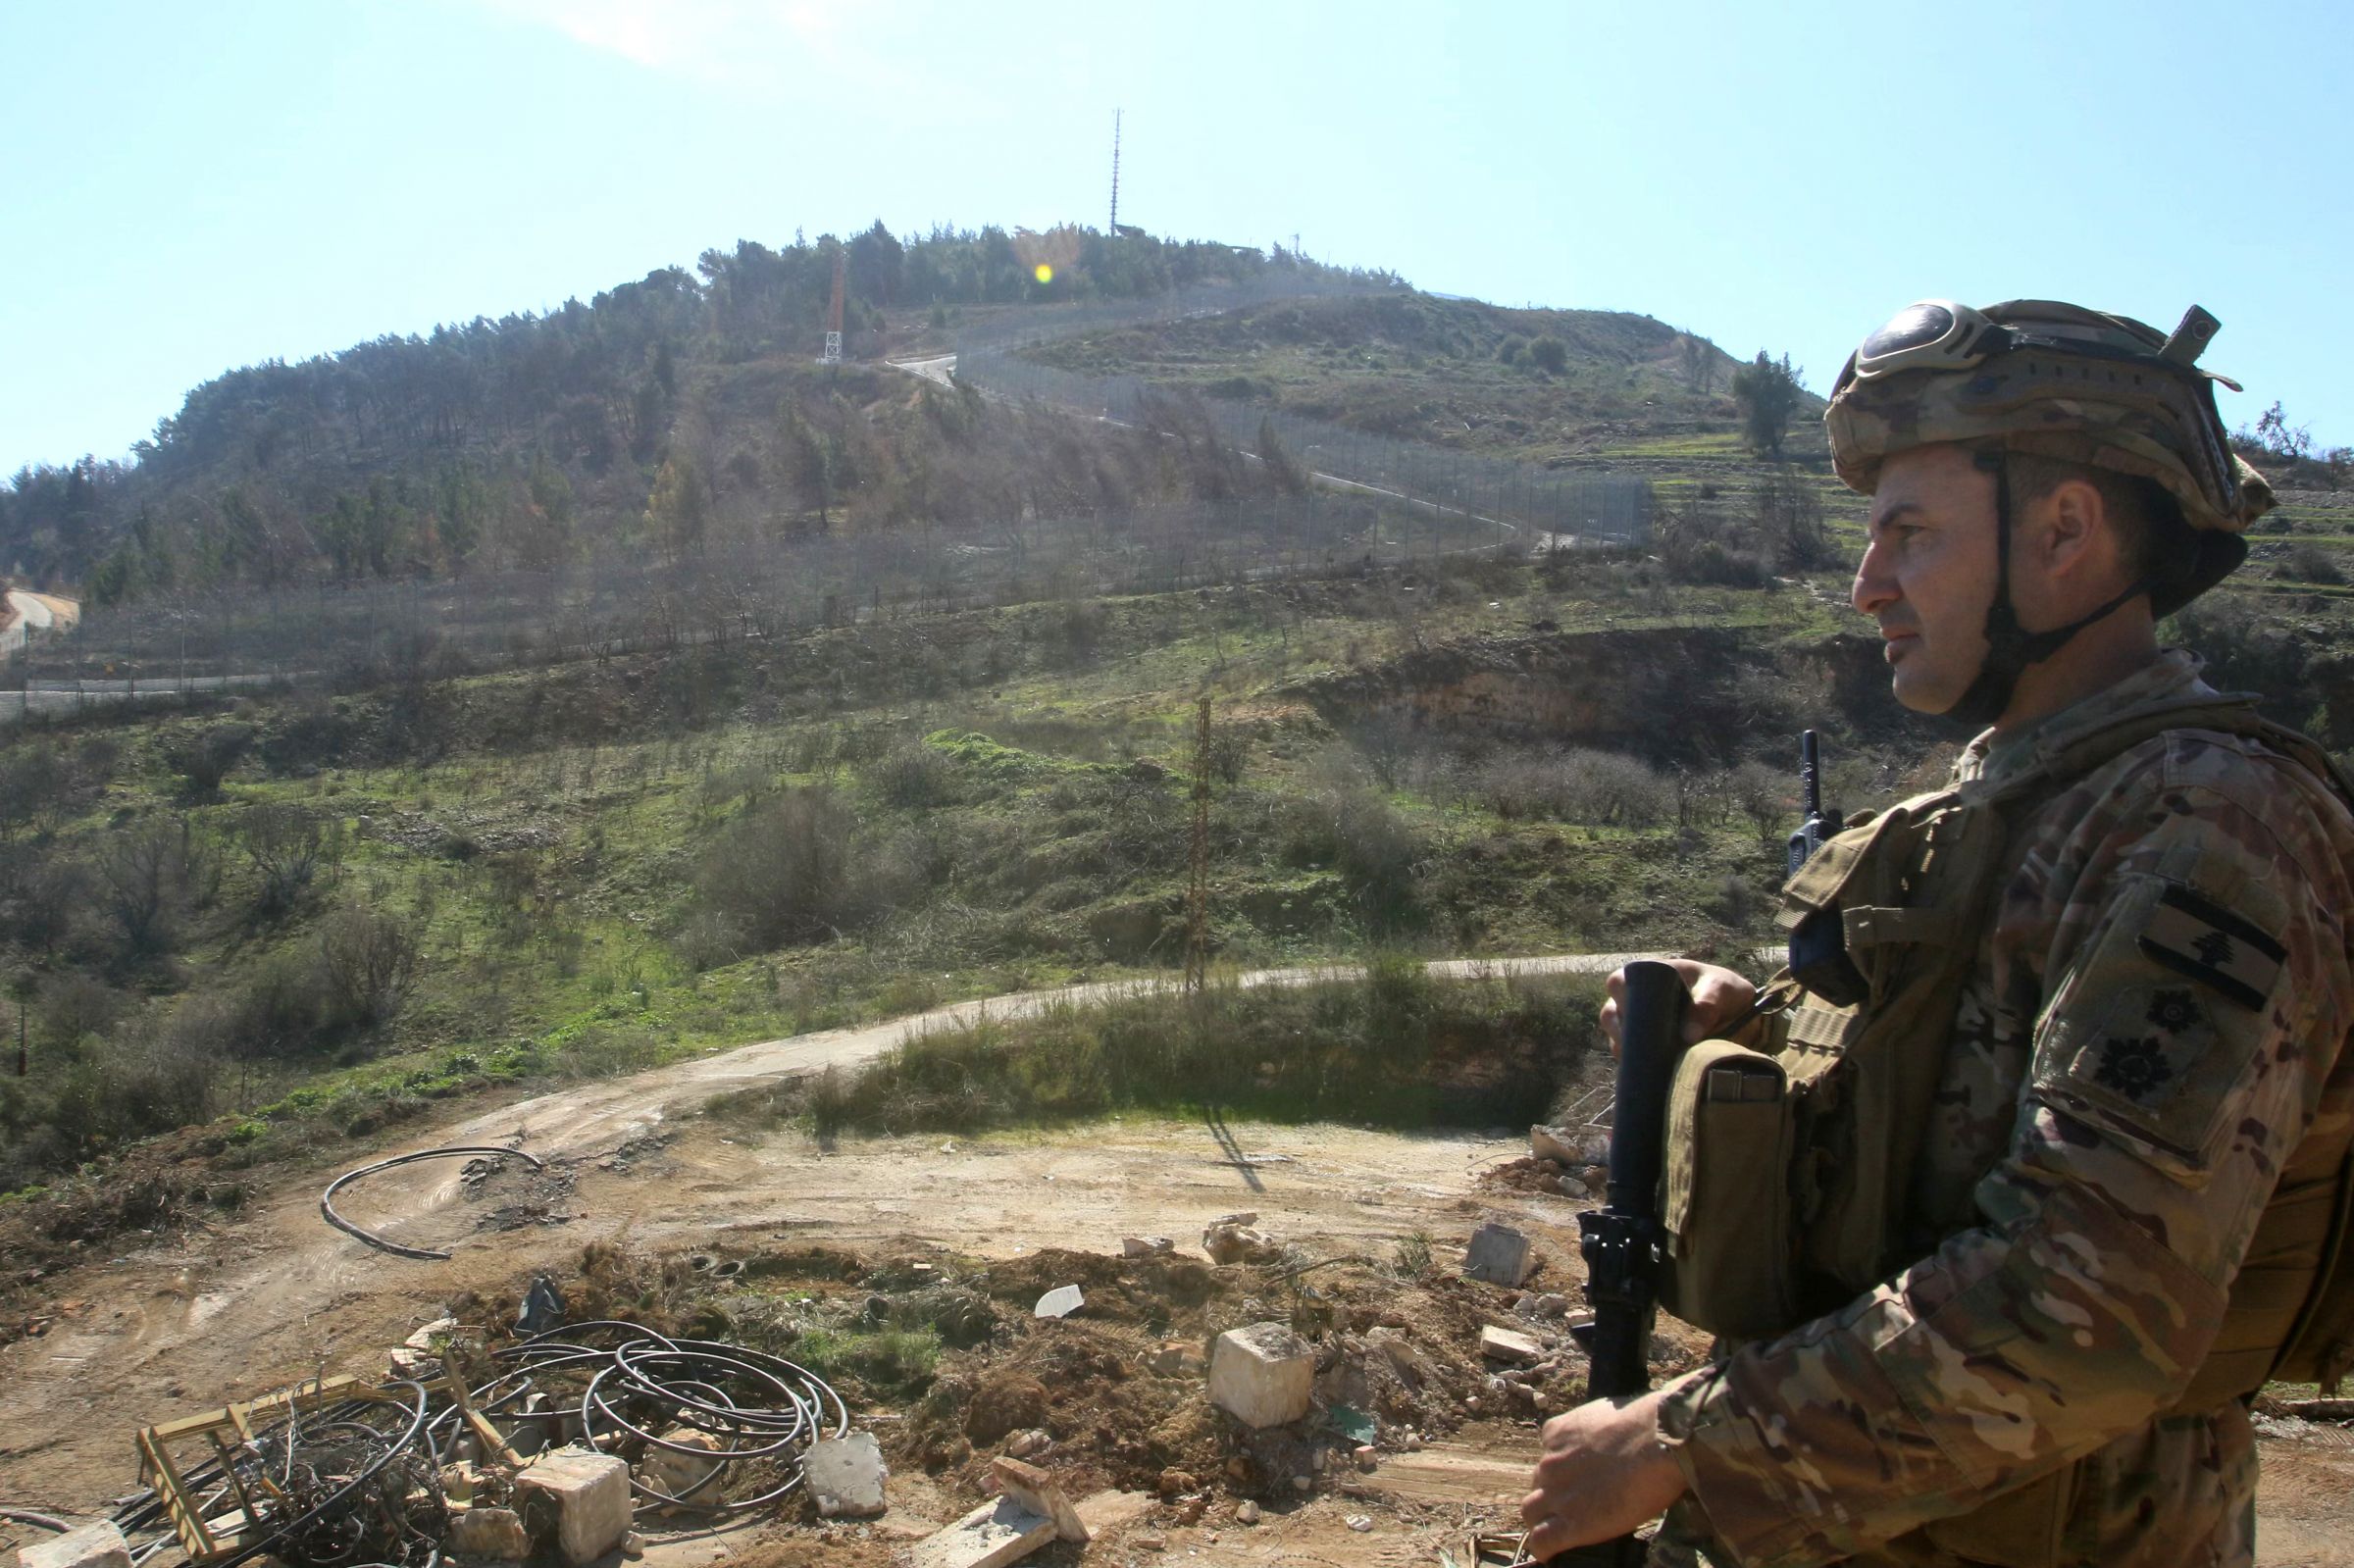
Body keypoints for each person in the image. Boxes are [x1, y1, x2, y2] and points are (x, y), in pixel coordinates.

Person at [1519, 299, 2354, 1568]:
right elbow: (1933, 1116)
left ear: (2065, 530)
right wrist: (1750, 1026)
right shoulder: (2004, 807)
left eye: (1909, 534)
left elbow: (2091, 1305)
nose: (1866, 586)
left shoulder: (2209, 827)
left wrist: (1684, 1444)